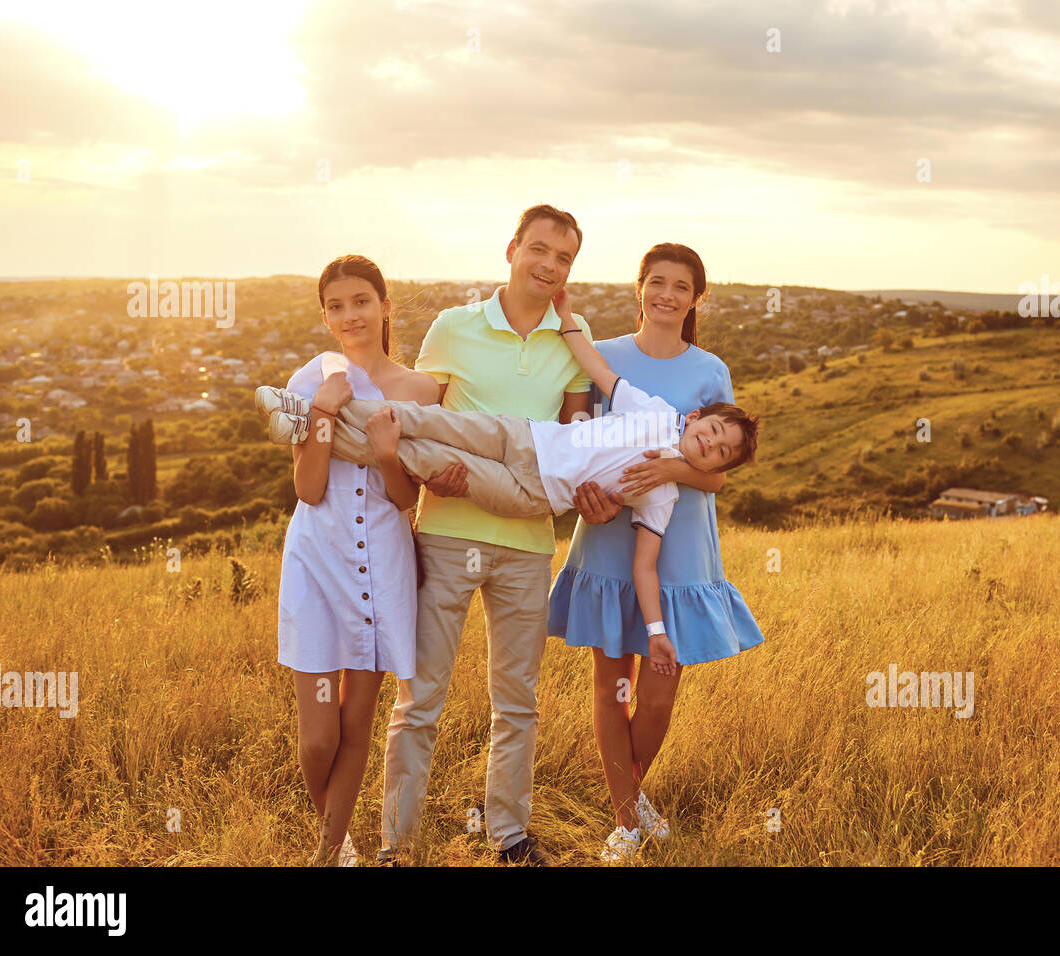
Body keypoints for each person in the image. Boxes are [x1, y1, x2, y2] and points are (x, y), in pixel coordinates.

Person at [255, 299, 761, 674]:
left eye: (721, 453)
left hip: (531, 493)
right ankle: (314, 412)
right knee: (424, 421)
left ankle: (307, 425)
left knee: (424, 455)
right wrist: (567, 322)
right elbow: (599, 369)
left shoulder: (663, 495)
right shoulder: (652, 409)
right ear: (695, 416)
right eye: (713, 432)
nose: (709, 446)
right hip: (527, 437)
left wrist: (655, 633)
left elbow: (645, 566)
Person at [370, 205, 607, 865]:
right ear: (512, 249)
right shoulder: (453, 328)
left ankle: (508, 836)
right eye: (538, 250)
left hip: (529, 543)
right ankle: (397, 844)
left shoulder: (573, 342)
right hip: (446, 532)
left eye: (562, 258)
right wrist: (427, 483)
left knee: (517, 703)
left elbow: (573, 443)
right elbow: (422, 425)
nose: (547, 265)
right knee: (420, 700)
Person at [547, 243, 765, 861]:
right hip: (609, 542)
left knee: (659, 694)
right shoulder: (607, 357)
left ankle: (630, 794)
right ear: (640, 286)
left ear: (697, 298)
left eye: (681, 287)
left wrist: (670, 465)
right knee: (611, 685)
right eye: (657, 282)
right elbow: (576, 442)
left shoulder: (710, 369)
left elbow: (718, 473)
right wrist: (590, 498)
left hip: (683, 544)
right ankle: (626, 819)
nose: (667, 295)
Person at [276, 254, 439, 866]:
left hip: (383, 566)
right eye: (337, 306)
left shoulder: (419, 390)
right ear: (325, 316)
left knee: (358, 724)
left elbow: (405, 498)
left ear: (385, 305)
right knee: (320, 737)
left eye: (362, 301)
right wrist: (322, 411)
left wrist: (388, 453)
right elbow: (310, 488)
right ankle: (337, 840)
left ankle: (327, 855)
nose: (351, 315)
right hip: (318, 563)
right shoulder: (308, 381)